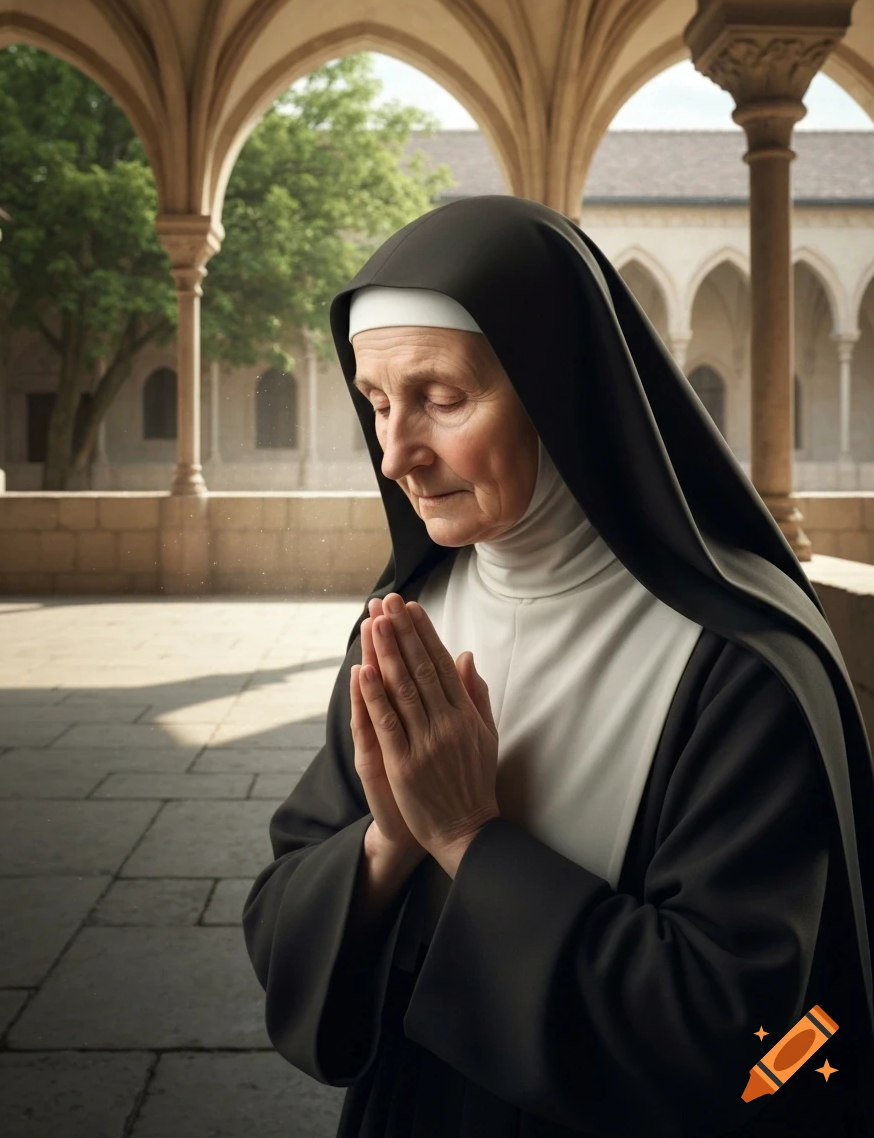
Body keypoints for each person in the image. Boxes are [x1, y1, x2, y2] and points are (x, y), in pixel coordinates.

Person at [242, 194, 874, 1138]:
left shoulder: (739, 662)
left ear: (562, 391)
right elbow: (285, 901)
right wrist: (386, 844)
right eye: (377, 403)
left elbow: (739, 1033)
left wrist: (465, 835)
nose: (396, 455)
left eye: (441, 399)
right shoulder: (409, 618)